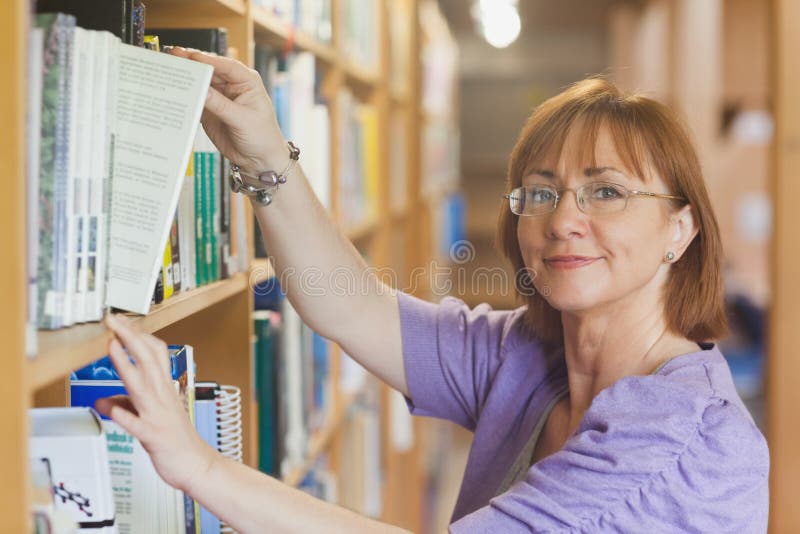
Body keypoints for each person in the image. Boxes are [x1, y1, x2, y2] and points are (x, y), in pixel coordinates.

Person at [96, 47, 769, 533]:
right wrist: (262, 156)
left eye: (608, 192)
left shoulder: (686, 435)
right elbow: (349, 304)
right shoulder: (531, 358)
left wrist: (198, 467)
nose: (564, 219)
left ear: (679, 228)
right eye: (540, 192)